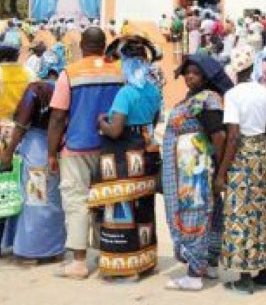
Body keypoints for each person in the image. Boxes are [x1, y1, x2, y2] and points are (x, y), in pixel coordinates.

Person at [47, 27, 123, 280]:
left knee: (76, 201)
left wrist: (50, 153)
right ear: (104, 45)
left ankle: (79, 262)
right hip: (111, 147)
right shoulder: (118, 71)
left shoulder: (70, 73)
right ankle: (108, 255)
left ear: (82, 44)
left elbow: (58, 117)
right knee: (108, 200)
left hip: (77, 148)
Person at [87, 36, 162, 279]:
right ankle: (146, 262)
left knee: (120, 208)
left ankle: (125, 266)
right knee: (143, 208)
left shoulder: (125, 93)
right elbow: (153, 120)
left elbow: (116, 130)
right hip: (145, 154)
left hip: (122, 160)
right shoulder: (153, 91)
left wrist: (101, 122)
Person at [162, 55, 232, 291]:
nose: (190, 76)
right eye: (187, 73)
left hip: (195, 170)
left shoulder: (206, 100)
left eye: (196, 73)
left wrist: (218, 169)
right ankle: (209, 264)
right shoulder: (194, 99)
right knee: (208, 214)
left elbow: (219, 136)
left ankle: (193, 275)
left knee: (194, 214)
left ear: (206, 77)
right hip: (191, 166)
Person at [215, 45, 266, 294]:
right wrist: (263, 146)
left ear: (234, 69)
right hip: (261, 153)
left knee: (240, 214)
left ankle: (243, 277)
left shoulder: (232, 95)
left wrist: (221, 173)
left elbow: (233, 136)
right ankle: (263, 273)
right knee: (261, 213)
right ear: (252, 67)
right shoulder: (263, 91)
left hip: (241, 158)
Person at [0, 48, 66, 263]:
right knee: (53, 201)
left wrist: (8, 152)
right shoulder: (66, 88)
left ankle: (33, 251)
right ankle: (55, 249)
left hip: (36, 149)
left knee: (34, 200)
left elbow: (21, 124)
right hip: (57, 149)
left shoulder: (36, 89)